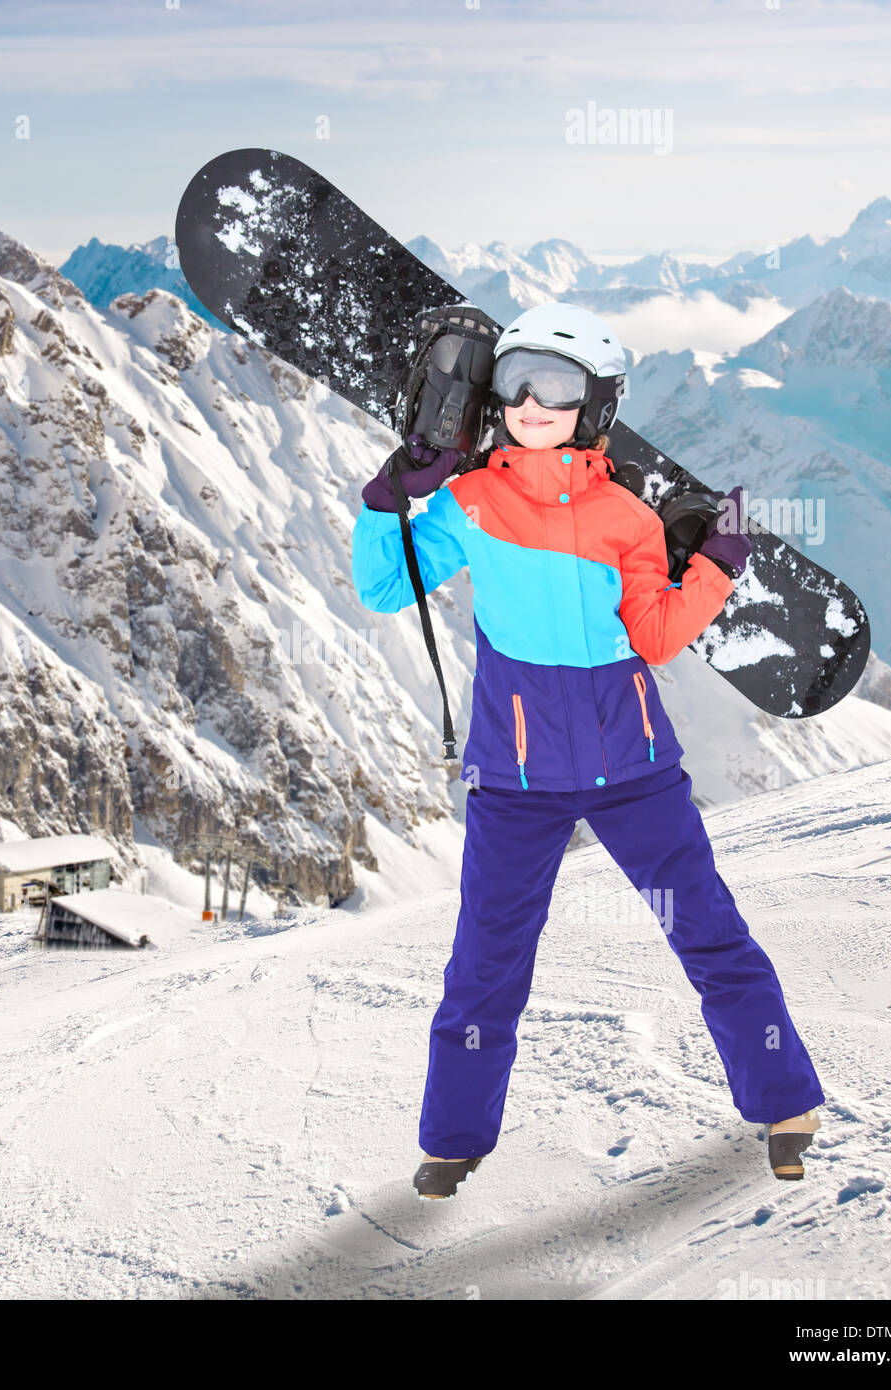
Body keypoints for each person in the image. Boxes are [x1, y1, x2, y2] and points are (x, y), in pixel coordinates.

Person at [352, 303, 824, 1199]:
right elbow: (383, 584)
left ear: (596, 405)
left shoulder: (626, 518)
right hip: (514, 779)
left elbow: (651, 634)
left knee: (710, 936)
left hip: (633, 773)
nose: (531, 401)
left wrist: (715, 567)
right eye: (516, 379)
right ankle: (454, 1138)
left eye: (558, 386)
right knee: (486, 962)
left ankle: (785, 1105)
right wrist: (390, 495)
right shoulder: (471, 501)